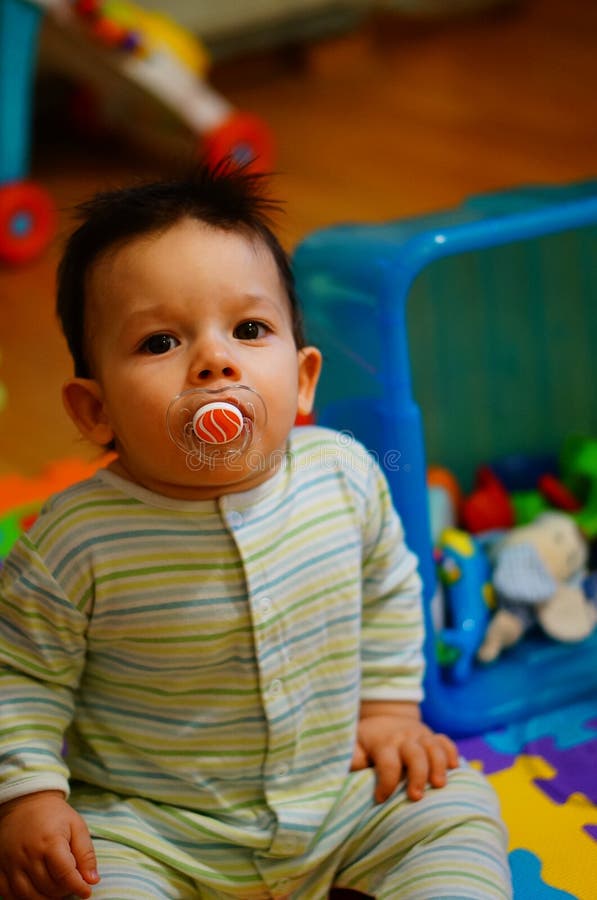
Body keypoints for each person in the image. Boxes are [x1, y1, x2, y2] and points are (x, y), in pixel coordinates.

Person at [0, 163, 511, 900]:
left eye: (248, 329)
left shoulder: (345, 475)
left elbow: (389, 585)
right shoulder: (73, 543)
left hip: (338, 789)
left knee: (456, 806)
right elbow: (19, 676)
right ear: (94, 411)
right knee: (84, 878)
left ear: (303, 380)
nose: (215, 360)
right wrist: (29, 796)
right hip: (151, 826)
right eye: (159, 343)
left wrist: (389, 711)